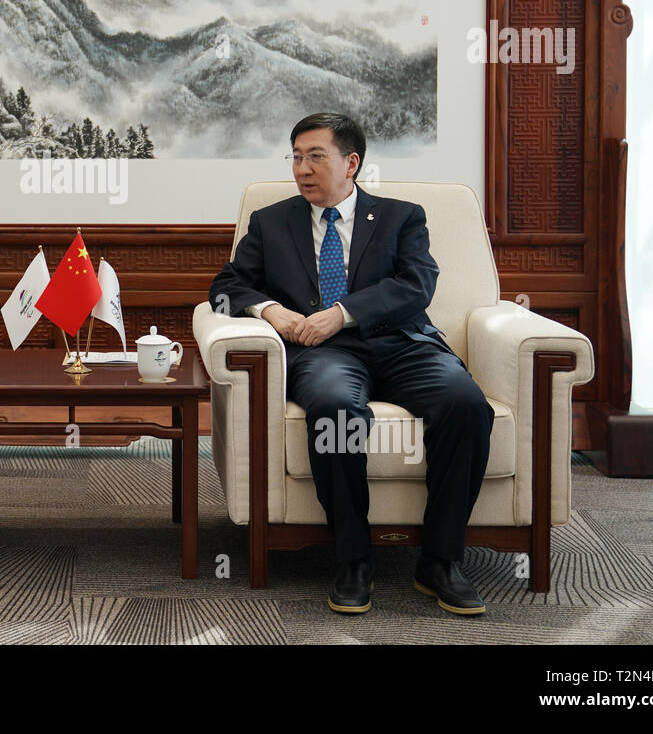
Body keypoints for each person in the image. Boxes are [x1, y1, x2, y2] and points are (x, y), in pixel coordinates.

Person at [209, 112, 494, 615]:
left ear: (351, 162)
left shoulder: (401, 216)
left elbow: (416, 285)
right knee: (336, 414)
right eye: (296, 157)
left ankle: (441, 561)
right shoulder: (272, 222)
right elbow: (227, 288)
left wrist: (340, 315)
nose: (302, 168)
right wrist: (273, 312)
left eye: (315, 156)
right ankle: (353, 559)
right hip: (324, 354)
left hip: (402, 344)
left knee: (466, 405)